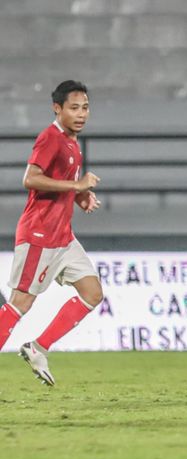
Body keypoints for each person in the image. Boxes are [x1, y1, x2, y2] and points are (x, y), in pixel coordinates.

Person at [0, 80, 103, 386]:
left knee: (92, 293)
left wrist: (80, 197)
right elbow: (31, 179)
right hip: (40, 235)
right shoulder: (51, 138)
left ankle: (37, 347)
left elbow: (63, 183)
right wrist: (77, 186)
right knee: (20, 303)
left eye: (85, 107)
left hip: (63, 236)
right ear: (57, 109)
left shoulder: (72, 142)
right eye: (74, 108)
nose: (81, 114)